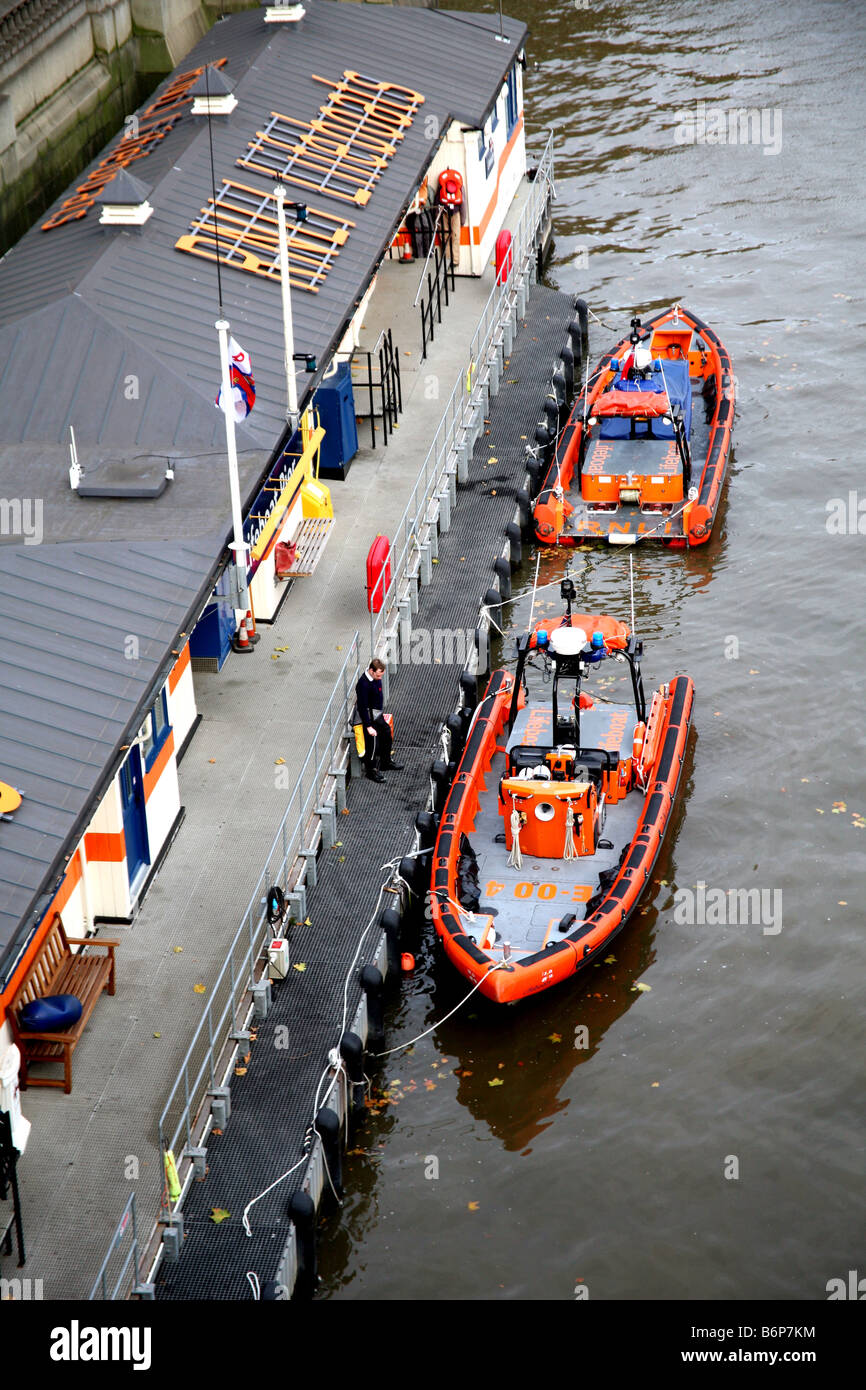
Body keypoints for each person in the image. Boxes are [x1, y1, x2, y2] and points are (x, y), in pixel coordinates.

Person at [355, 659, 402, 783]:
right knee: (371, 744)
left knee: (387, 734)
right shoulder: (363, 684)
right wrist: (368, 726)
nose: (380, 678)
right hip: (370, 718)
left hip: (377, 715)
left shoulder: (375, 679)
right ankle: (372, 771)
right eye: (378, 675)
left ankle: (386, 762)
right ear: (371, 671)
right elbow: (362, 707)